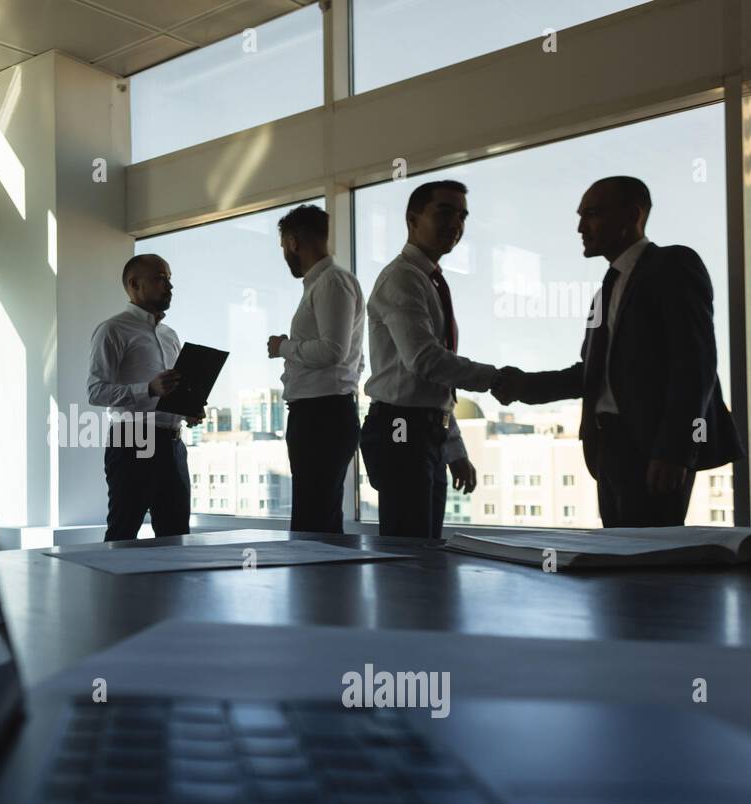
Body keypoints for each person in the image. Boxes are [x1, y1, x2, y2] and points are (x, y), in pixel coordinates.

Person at [491, 176, 744, 526]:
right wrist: (525, 387)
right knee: (618, 565)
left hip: (654, 449)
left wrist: (674, 450)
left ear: (632, 215)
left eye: (591, 214)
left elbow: (695, 363)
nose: (581, 227)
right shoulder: (605, 292)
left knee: (651, 569)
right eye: (580, 216)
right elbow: (592, 373)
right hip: (608, 448)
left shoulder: (673, 264)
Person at [360, 180, 497, 539]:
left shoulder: (429, 281)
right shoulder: (402, 278)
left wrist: (454, 447)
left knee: (425, 551)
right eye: (445, 212)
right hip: (401, 429)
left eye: (462, 216)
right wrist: (497, 378)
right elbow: (425, 361)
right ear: (412, 219)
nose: (456, 224)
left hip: (423, 430)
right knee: (410, 557)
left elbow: (431, 386)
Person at [266, 204, 366, 534]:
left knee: (313, 521)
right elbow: (353, 357)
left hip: (321, 416)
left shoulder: (331, 282)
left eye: (283, 247)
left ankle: (319, 585)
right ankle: (325, 584)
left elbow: (333, 351)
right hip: (324, 413)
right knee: (318, 516)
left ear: (294, 242)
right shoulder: (327, 283)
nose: (284, 255)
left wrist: (283, 347)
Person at [87, 254, 202, 541]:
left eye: (170, 279)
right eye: (160, 278)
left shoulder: (171, 335)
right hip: (131, 440)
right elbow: (95, 391)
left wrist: (188, 409)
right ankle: (115, 589)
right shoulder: (112, 330)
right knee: (123, 534)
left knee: (176, 537)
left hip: (173, 444)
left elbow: (169, 390)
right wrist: (148, 389)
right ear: (134, 284)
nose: (169, 286)